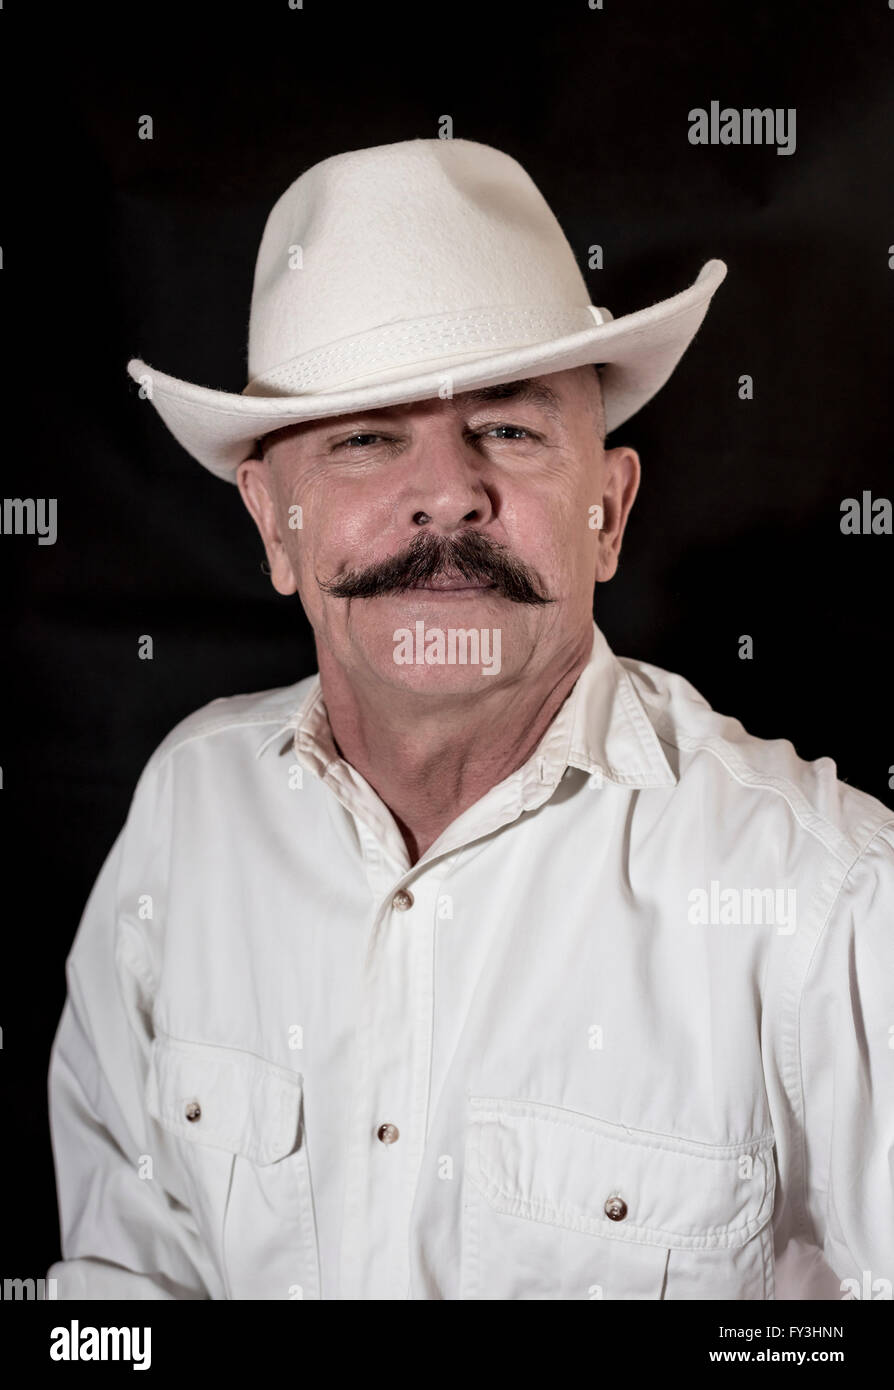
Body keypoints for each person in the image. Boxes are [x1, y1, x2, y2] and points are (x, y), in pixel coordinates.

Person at [48, 137, 893, 1300]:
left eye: (508, 427)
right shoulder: (190, 813)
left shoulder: (829, 898)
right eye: (364, 437)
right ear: (273, 525)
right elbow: (122, 1291)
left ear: (607, 510)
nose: (446, 490)